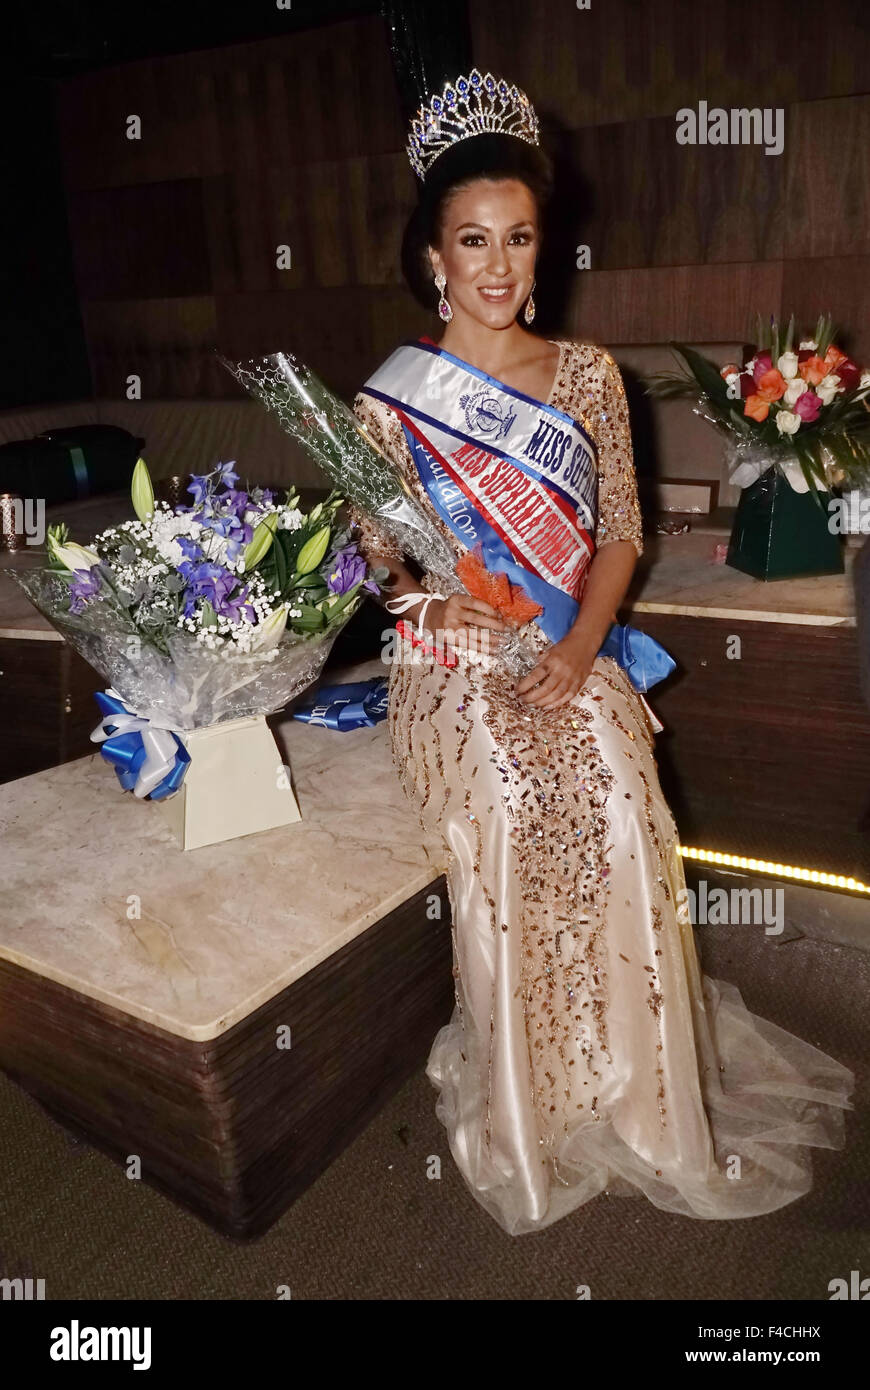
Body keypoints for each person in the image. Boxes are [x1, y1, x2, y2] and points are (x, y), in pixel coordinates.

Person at [349, 70, 853, 1235]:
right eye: (472, 239)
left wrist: (580, 647)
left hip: (569, 636)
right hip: (450, 658)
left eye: (519, 237)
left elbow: (621, 531)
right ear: (432, 253)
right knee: (517, 797)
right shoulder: (390, 401)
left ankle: (641, 1086)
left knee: (623, 795)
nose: (497, 264)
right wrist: (435, 606)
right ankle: (532, 1096)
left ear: (544, 246)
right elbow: (383, 561)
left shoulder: (588, 379)